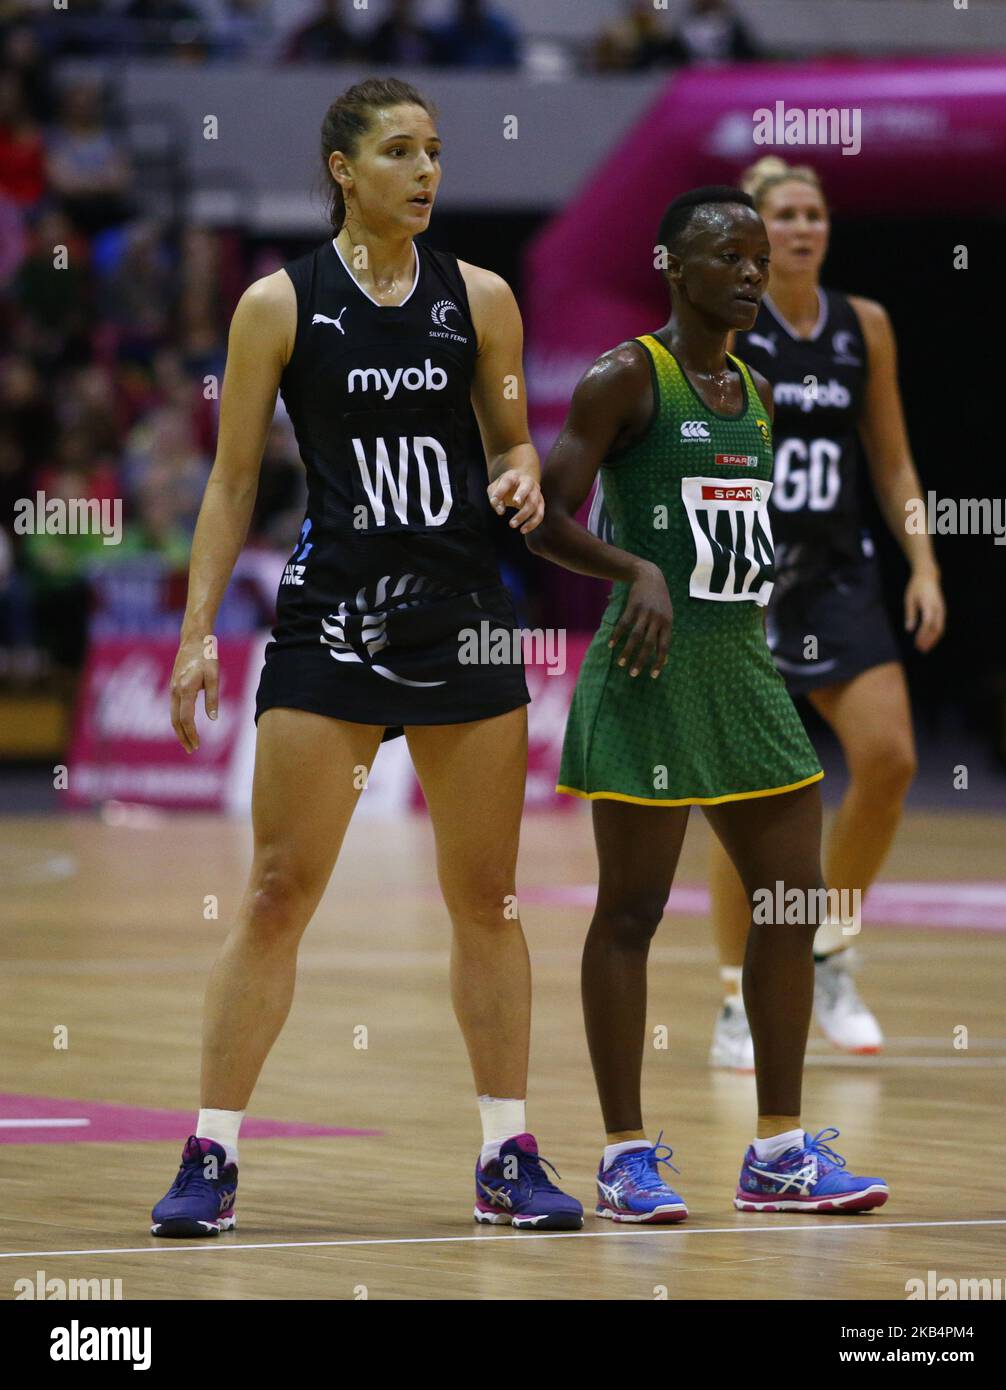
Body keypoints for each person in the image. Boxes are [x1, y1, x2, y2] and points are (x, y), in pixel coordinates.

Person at [150, 77, 583, 1237]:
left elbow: (513, 441)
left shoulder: (482, 299)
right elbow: (233, 481)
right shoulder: (275, 306)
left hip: (461, 619)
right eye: (400, 151)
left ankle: (506, 1155)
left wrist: (525, 475)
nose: (427, 171)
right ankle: (210, 1154)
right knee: (279, 891)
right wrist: (197, 634)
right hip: (331, 618)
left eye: (435, 152)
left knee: (485, 897)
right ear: (344, 169)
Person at [527, 186, 888, 1218]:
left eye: (754, 254)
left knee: (788, 903)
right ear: (669, 268)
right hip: (646, 676)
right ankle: (622, 1154)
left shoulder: (759, 389)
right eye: (723, 253)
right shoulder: (622, 379)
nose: (748, 268)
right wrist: (632, 567)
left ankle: (778, 1151)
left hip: (742, 670)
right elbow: (541, 517)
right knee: (632, 913)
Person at [707, 157, 945, 1071]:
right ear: (757, 232)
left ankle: (829, 945)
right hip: (748, 576)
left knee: (889, 760)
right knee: (746, 797)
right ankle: (736, 996)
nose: (803, 227)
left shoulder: (864, 325)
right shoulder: (726, 322)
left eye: (815, 213)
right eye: (786, 215)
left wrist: (923, 560)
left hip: (840, 575)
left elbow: (892, 460)